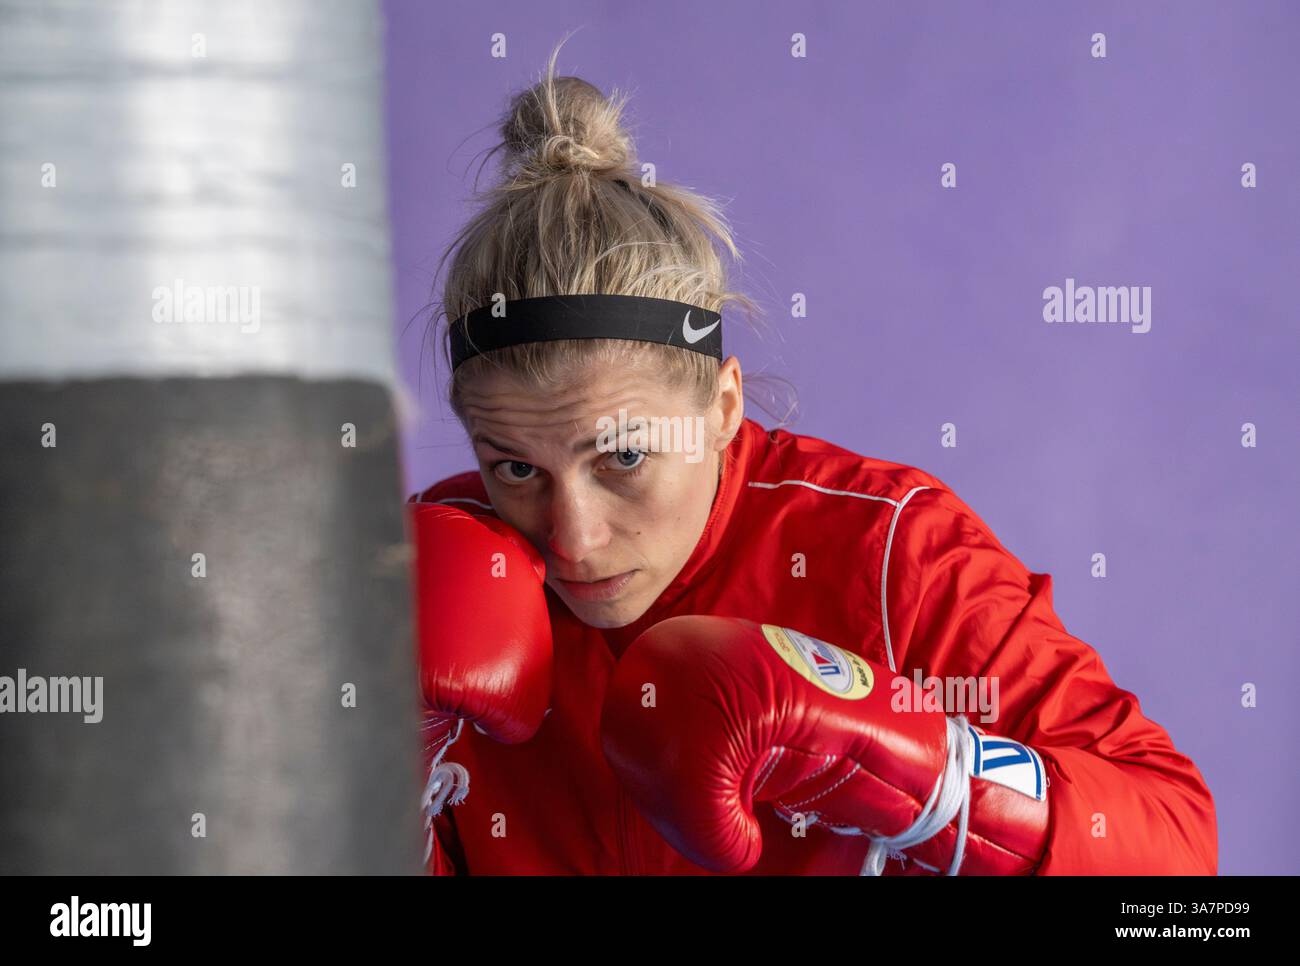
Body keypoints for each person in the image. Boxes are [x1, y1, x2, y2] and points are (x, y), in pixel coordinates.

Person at [409, 48, 1217, 876]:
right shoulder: (438, 575)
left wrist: (920, 774)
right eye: (514, 468)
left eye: (621, 455)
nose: (571, 538)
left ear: (722, 409)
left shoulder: (890, 558)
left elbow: (1179, 861)